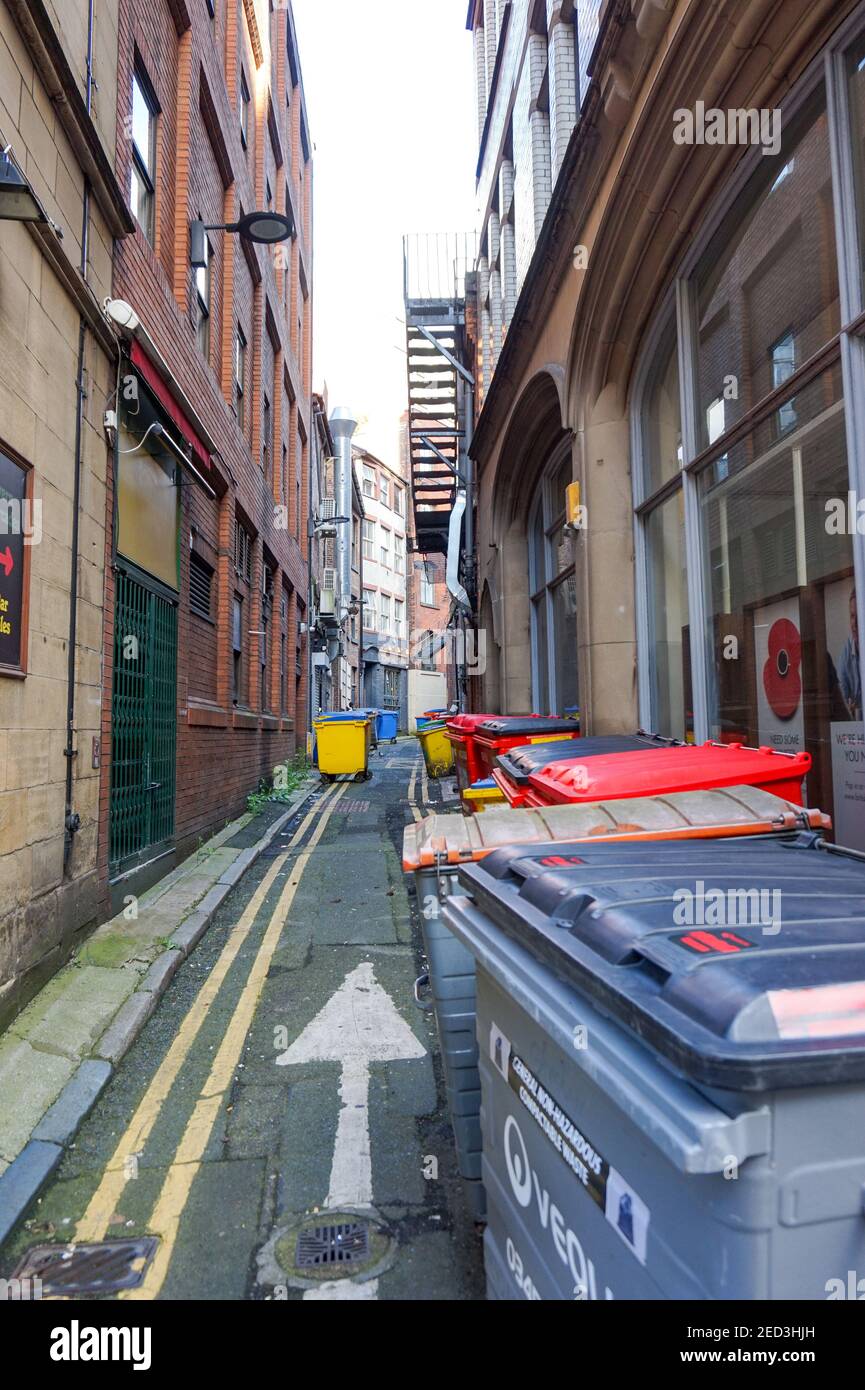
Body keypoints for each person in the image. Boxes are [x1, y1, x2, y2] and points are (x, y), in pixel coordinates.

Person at [839, 588, 862, 721]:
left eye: (859, 616)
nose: (854, 624)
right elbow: (843, 701)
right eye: (852, 616)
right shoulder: (846, 652)